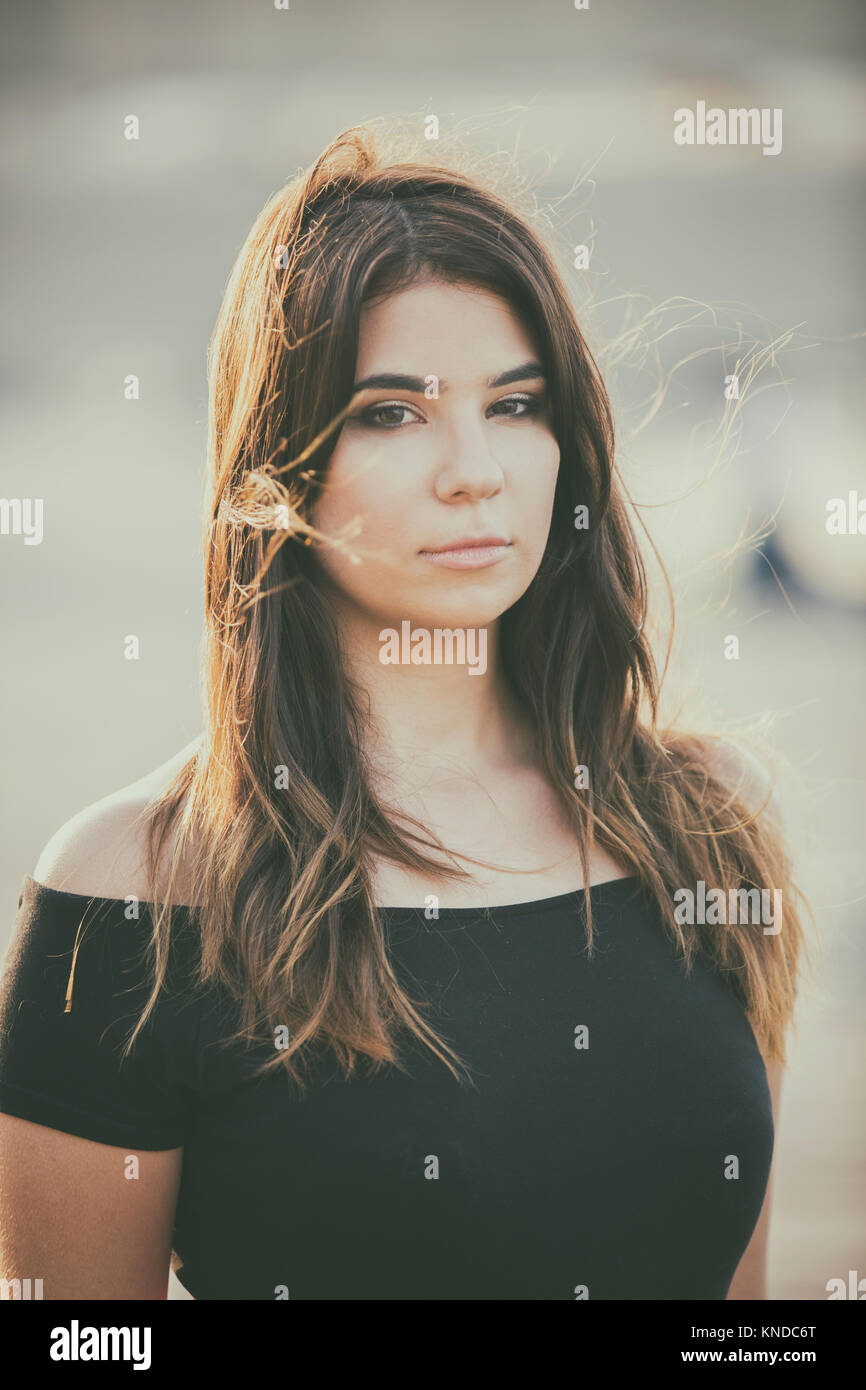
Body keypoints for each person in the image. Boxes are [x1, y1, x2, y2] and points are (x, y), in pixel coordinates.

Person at [0, 122, 807, 1300]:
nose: (472, 466)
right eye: (392, 412)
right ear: (277, 465)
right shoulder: (137, 887)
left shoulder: (708, 826)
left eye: (516, 404)